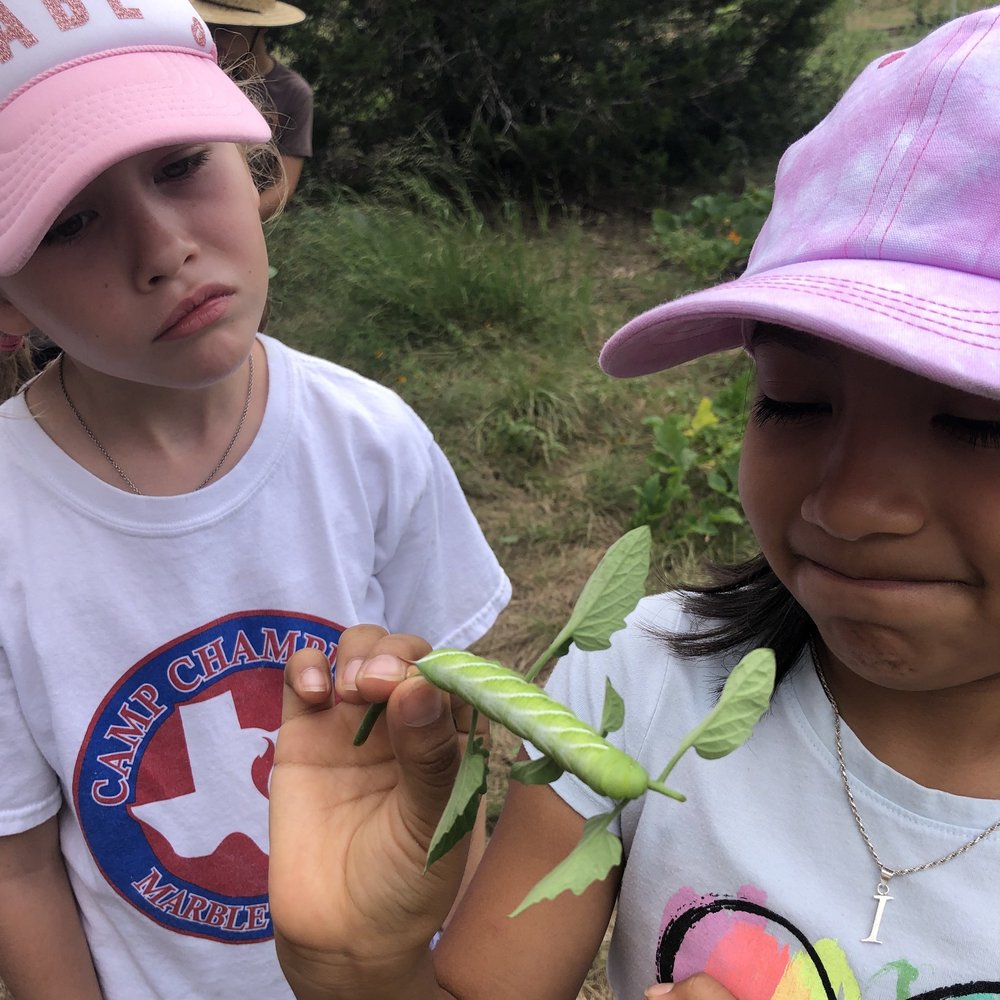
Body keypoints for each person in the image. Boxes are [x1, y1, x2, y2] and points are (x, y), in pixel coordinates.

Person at [269, 6, 1000, 999]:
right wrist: (358, 962)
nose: (850, 501)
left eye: (977, 424)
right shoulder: (644, 685)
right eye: (791, 401)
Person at [0, 3, 509, 999]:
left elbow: (458, 740)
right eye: (68, 220)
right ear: (6, 300)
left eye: (180, 162)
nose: (161, 249)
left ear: (255, 158)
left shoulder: (371, 439)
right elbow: (16, 865)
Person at [192, 0, 314, 220]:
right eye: (211, 28)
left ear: (261, 29)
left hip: (246, 218)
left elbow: (283, 185)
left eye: (230, 31)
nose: (217, 39)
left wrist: (237, 224)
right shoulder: (203, 76)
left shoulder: (293, 92)